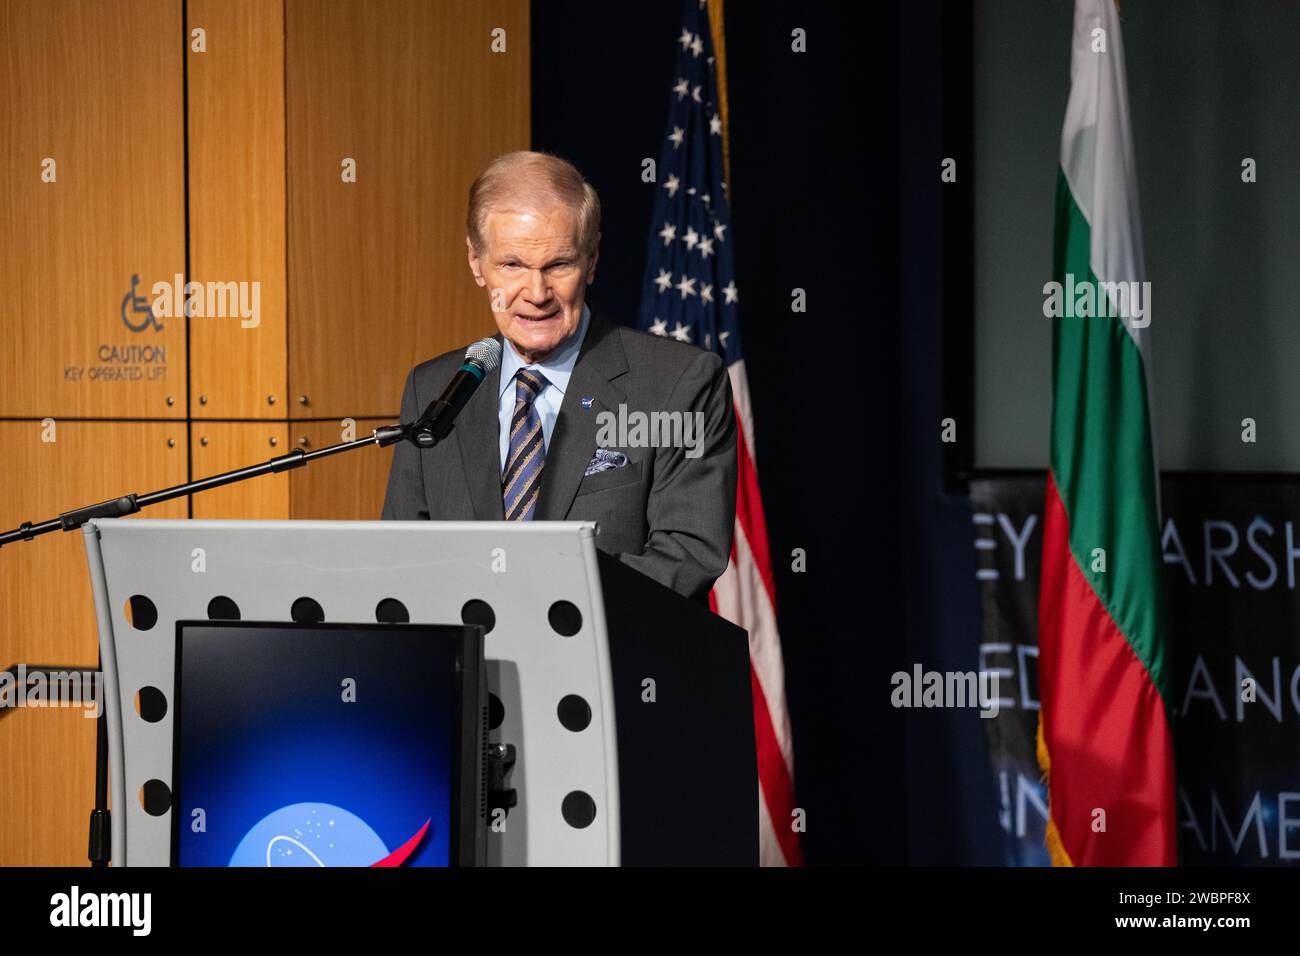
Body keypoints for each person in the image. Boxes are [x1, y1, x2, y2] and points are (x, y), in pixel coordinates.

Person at [382, 151, 736, 602]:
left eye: (558, 265)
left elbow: (687, 555)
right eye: (512, 265)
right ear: (476, 262)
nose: (536, 293)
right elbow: (402, 555)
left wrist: (539, 607)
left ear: (591, 260)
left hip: (608, 661)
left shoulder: (679, 384)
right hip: (468, 664)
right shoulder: (434, 390)